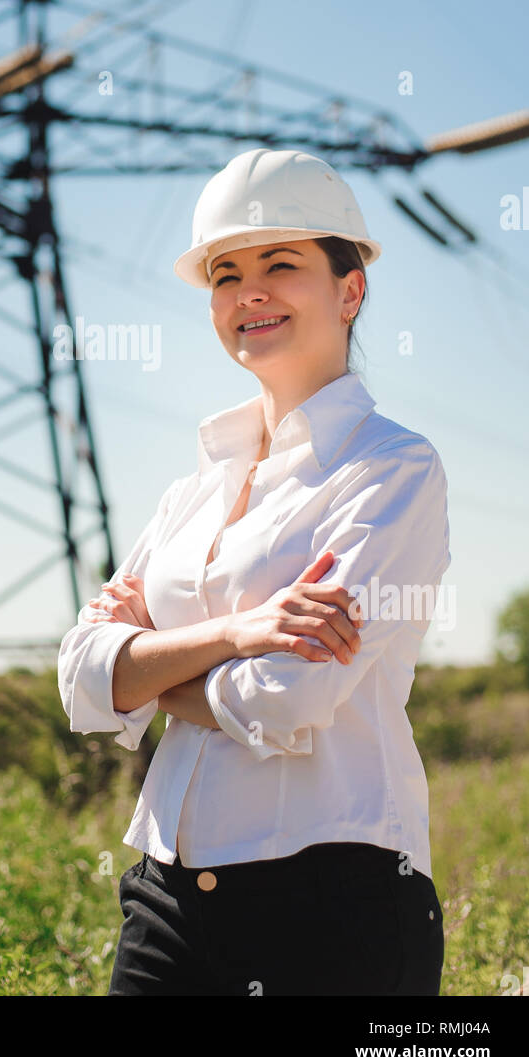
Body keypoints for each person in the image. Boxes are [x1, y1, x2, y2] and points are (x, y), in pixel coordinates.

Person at [57, 148, 450, 997]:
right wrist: (234, 634)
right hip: (165, 895)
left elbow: (292, 696)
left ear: (349, 290)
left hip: (334, 899)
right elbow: (79, 681)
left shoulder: (391, 471)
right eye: (226, 274)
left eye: (281, 264)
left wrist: (150, 669)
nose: (250, 292)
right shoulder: (191, 492)